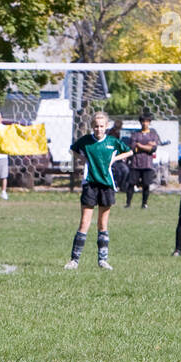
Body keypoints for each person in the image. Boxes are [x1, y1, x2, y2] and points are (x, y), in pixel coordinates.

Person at [66, 112, 131, 271]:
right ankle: (74, 260)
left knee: (102, 224)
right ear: (91, 126)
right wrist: (83, 159)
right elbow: (72, 149)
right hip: (90, 185)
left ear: (106, 126)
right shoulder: (86, 141)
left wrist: (115, 159)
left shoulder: (112, 141)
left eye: (102, 126)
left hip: (107, 185)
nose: (98, 129)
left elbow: (129, 151)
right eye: (96, 126)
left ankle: (102, 260)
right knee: (84, 223)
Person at [125, 112, 160, 208]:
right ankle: (128, 203)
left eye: (147, 121)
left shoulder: (153, 135)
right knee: (131, 183)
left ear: (149, 122)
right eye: (143, 121)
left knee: (146, 184)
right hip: (135, 163)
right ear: (140, 122)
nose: (145, 123)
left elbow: (153, 149)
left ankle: (144, 203)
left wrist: (140, 145)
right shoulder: (135, 134)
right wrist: (147, 146)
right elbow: (133, 148)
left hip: (147, 164)